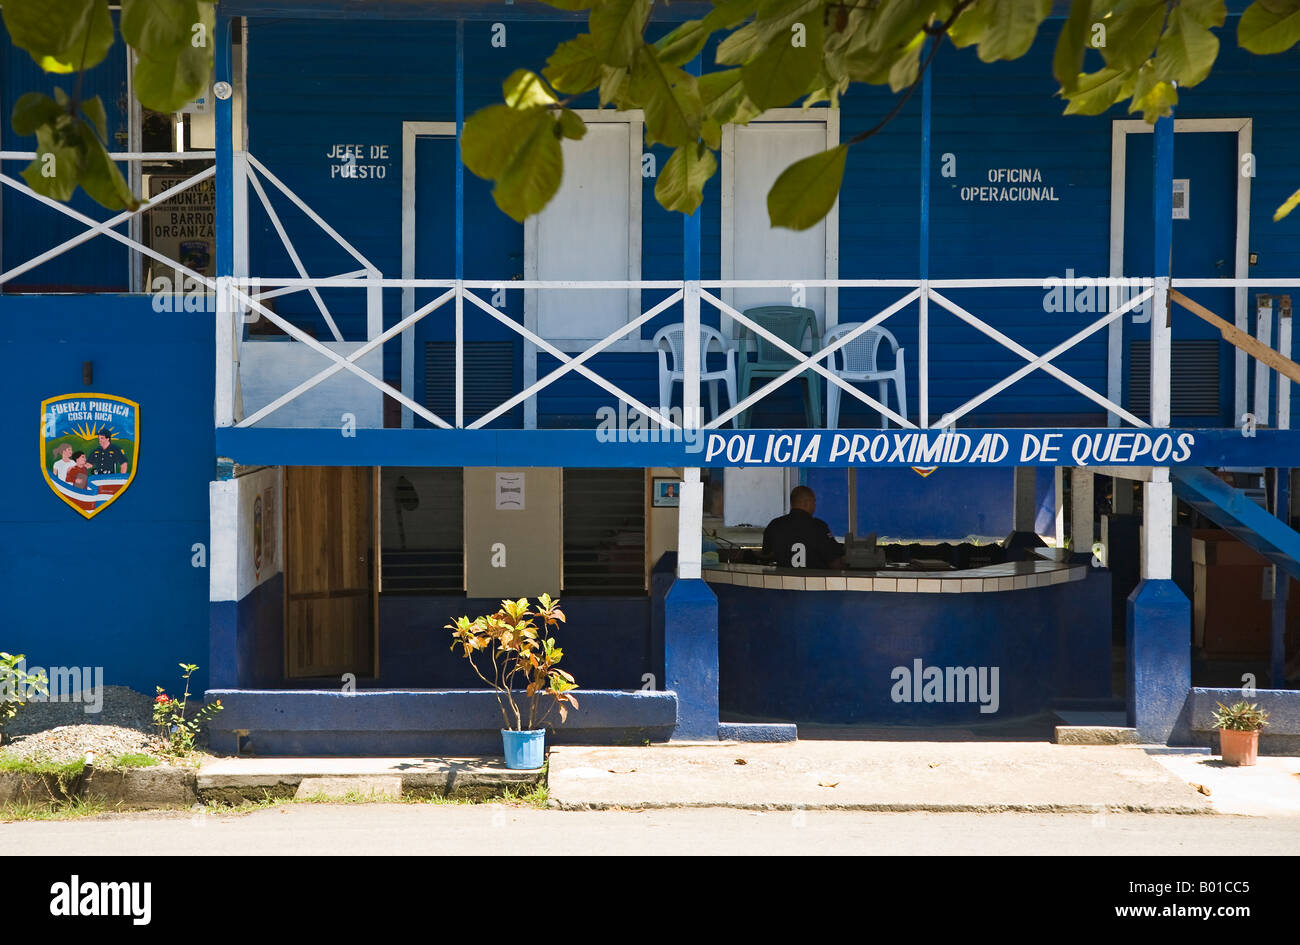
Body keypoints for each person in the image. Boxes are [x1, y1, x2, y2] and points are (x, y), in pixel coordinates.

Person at [762, 485, 845, 570]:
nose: (815, 506)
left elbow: (766, 555)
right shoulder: (818, 527)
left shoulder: (774, 525)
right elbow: (835, 563)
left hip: (784, 582)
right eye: (814, 502)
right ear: (806, 503)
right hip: (814, 581)